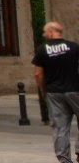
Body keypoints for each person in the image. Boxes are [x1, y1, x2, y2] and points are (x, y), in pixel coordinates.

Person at [32, 20, 79, 163]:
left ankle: (64, 159)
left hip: (54, 93)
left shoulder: (42, 49)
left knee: (60, 127)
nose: (44, 34)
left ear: (51, 32)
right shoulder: (74, 47)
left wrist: (44, 90)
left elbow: (38, 74)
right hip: (75, 90)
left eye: (45, 32)